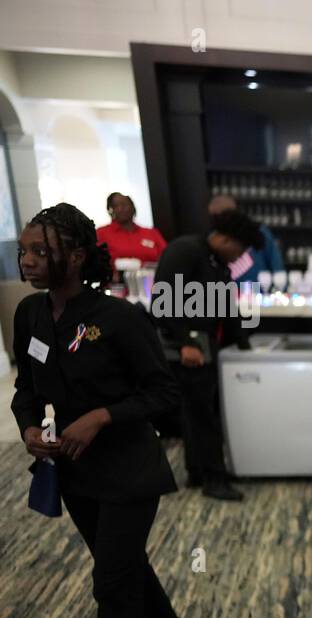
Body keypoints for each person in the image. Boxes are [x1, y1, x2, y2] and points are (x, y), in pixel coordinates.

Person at [11, 203, 199, 618]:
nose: (27, 261)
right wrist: (26, 427)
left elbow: (164, 394)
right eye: (23, 251)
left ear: (74, 254)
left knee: (112, 587)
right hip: (73, 472)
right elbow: (26, 386)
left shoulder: (118, 319)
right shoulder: (30, 316)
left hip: (128, 472)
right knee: (125, 570)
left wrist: (102, 416)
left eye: (39, 251)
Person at [153, 209, 263, 501]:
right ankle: (215, 480)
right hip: (185, 347)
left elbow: (227, 305)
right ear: (225, 239)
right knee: (203, 416)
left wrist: (243, 343)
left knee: (195, 414)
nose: (239, 257)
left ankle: (198, 472)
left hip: (202, 344)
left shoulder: (214, 261)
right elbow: (163, 301)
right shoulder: (185, 250)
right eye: (239, 250)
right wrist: (185, 343)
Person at [207, 194, 284, 281]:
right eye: (216, 217)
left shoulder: (256, 233)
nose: (223, 220)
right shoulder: (212, 242)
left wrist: (279, 287)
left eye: (226, 215)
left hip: (258, 287)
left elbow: (277, 266)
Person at [96, 193, 167, 269]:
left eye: (123, 204)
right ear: (110, 211)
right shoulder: (101, 233)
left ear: (133, 207)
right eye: (115, 206)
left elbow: (167, 258)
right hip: (117, 279)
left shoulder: (151, 233)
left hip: (152, 278)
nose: (120, 208)